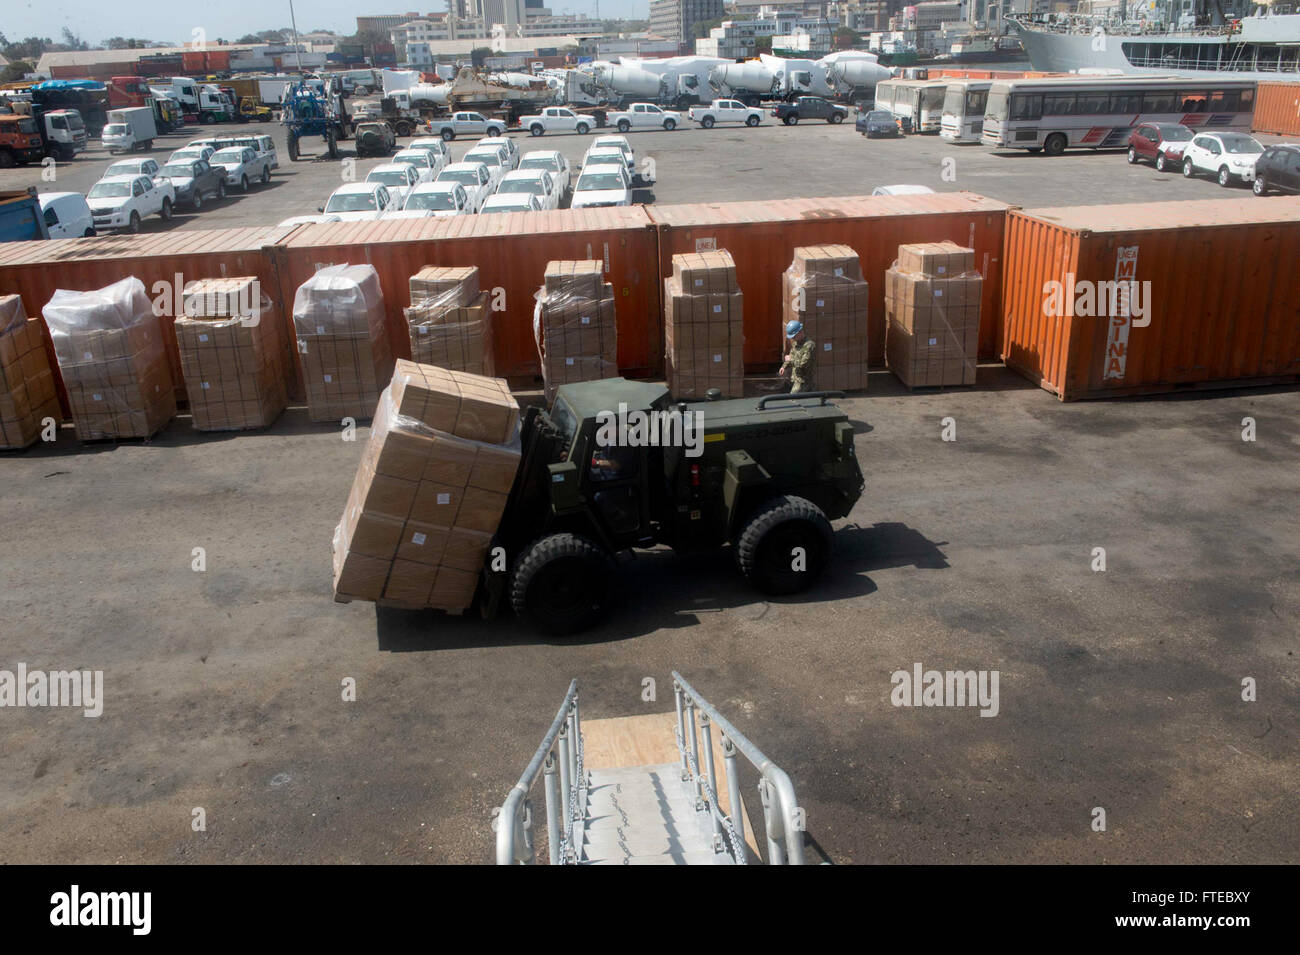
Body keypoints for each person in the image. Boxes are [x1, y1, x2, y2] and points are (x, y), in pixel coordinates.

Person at [779, 319, 815, 394]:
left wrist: (791, 359)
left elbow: (804, 364)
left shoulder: (809, 345)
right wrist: (784, 366)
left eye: (794, 336)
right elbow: (791, 355)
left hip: (804, 381)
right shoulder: (796, 344)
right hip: (796, 378)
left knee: (793, 399)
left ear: (800, 332)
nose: (793, 338)